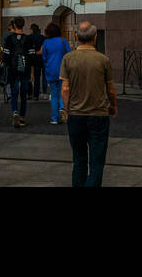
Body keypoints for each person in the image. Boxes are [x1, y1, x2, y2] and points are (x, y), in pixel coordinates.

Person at [60, 22, 117, 187]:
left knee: (79, 160)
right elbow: (111, 90)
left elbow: (65, 89)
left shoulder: (68, 58)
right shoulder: (103, 59)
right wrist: (113, 105)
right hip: (98, 115)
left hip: (76, 115)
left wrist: (67, 110)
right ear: (95, 38)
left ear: (76, 37)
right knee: (97, 161)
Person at [2, 18, 30, 128]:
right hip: (25, 70)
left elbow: (5, 56)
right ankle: (22, 117)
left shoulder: (9, 39)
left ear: (14, 25)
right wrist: (31, 72)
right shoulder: (28, 39)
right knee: (24, 94)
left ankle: (15, 111)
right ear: (23, 25)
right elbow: (31, 56)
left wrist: (8, 67)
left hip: (13, 70)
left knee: (14, 93)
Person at [41, 23, 70, 125]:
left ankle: (54, 118)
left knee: (54, 95)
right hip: (63, 70)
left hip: (51, 70)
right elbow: (69, 55)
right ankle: (63, 109)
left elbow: (43, 57)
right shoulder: (63, 41)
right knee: (63, 91)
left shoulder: (46, 42)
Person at [27, 23, 45, 102]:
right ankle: (37, 95)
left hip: (31, 58)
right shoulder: (43, 38)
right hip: (40, 59)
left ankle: (30, 94)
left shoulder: (28, 37)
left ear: (31, 29)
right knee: (39, 77)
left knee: (30, 76)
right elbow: (43, 50)